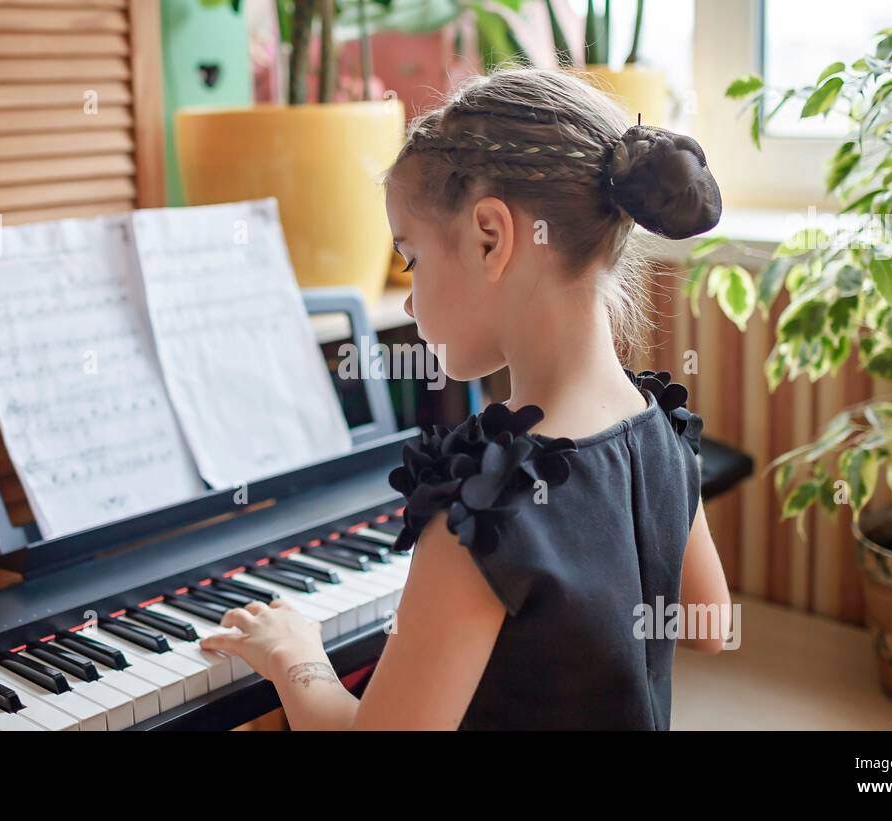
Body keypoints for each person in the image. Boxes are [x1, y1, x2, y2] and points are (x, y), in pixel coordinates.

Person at [199, 66, 732, 729]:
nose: (413, 296)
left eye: (412, 259)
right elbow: (708, 622)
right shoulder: (661, 430)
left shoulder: (487, 502)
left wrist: (297, 659)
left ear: (490, 237)